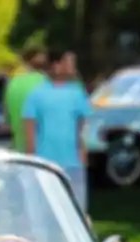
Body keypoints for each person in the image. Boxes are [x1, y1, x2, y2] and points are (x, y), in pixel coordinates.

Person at [23, 49, 92, 210]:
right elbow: (30, 127)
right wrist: (31, 157)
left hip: (72, 161)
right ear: (56, 65)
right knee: (44, 207)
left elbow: (82, 127)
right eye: (69, 63)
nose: (73, 67)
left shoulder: (77, 93)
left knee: (76, 208)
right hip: (45, 160)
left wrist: (82, 155)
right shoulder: (37, 94)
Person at [4, 47, 47, 152]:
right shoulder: (48, 84)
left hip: (20, 152)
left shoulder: (12, 84)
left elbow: (7, 119)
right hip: (46, 152)